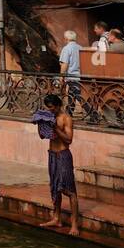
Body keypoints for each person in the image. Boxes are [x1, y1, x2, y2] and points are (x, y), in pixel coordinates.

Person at [38, 93, 80, 236]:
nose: (49, 111)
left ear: (57, 106)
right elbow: (43, 136)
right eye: (47, 108)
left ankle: (74, 224)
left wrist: (55, 127)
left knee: (70, 190)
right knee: (54, 188)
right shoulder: (49, 116)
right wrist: (41, 123)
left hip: (63, 156)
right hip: (52, 155)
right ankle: (56, 218)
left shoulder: (66, 118)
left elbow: (69, 139)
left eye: (51, 108)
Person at [58, 29, 83, 115]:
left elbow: (65, 63)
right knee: (72, 94)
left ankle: (94, 115)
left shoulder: (66, 48)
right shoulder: (80, 48)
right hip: (80, 75)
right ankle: (69, 112)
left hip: (72, 76)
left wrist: (61, 75)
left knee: (78, 96)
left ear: (66, 38)